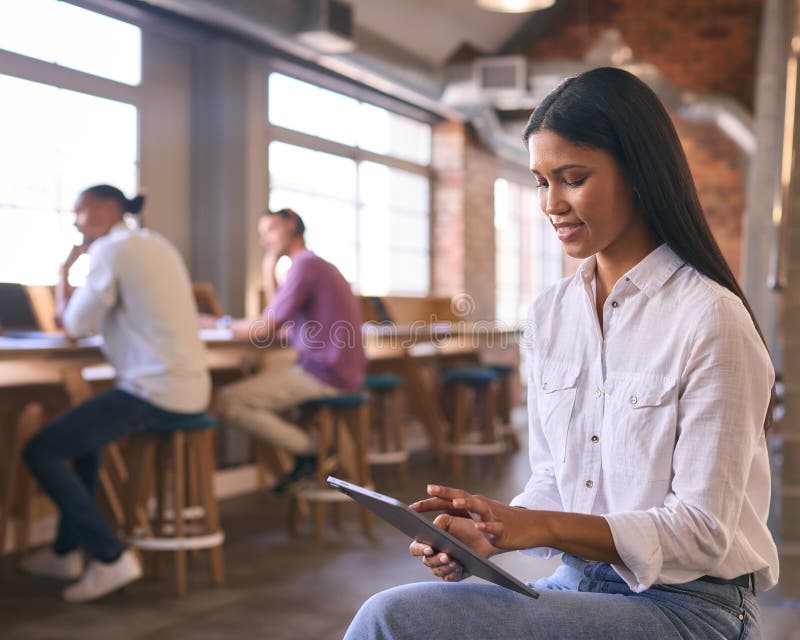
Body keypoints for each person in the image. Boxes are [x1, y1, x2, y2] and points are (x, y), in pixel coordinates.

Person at [344, 67, 778, 639]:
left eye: (572, 178)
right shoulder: (551, 314)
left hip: (689, 608)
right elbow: (555, 475)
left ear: (640, 173)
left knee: (392, 619)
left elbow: (701, 531)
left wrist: (537, 525)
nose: (552, 203)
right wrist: (491, 532)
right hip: (580, 585)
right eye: (540, 181)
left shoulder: (710, 318)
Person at [22, 185, 211, 603]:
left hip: (154, 389)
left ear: (109, 208)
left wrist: (63, 271)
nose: (76, 221)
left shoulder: (111, 251)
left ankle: (109, 557)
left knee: (41, 450)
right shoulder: (155, 243)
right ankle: (66, 551)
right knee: (85, 442)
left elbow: (71, 325)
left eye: (81, 211)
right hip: (188, 385)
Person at [213, 208, 367, 491]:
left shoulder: (305, 265)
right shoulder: (314, 265)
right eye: (261, 235)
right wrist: (268, 269)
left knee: (228, 400)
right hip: (338, 371)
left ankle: (315, 450)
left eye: (270, 230)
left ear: (292, 224)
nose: (264, 240)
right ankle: (313, 452)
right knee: (266, 381)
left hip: (325, 374)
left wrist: (219, 323)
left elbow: (265, 327)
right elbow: (278, 318)